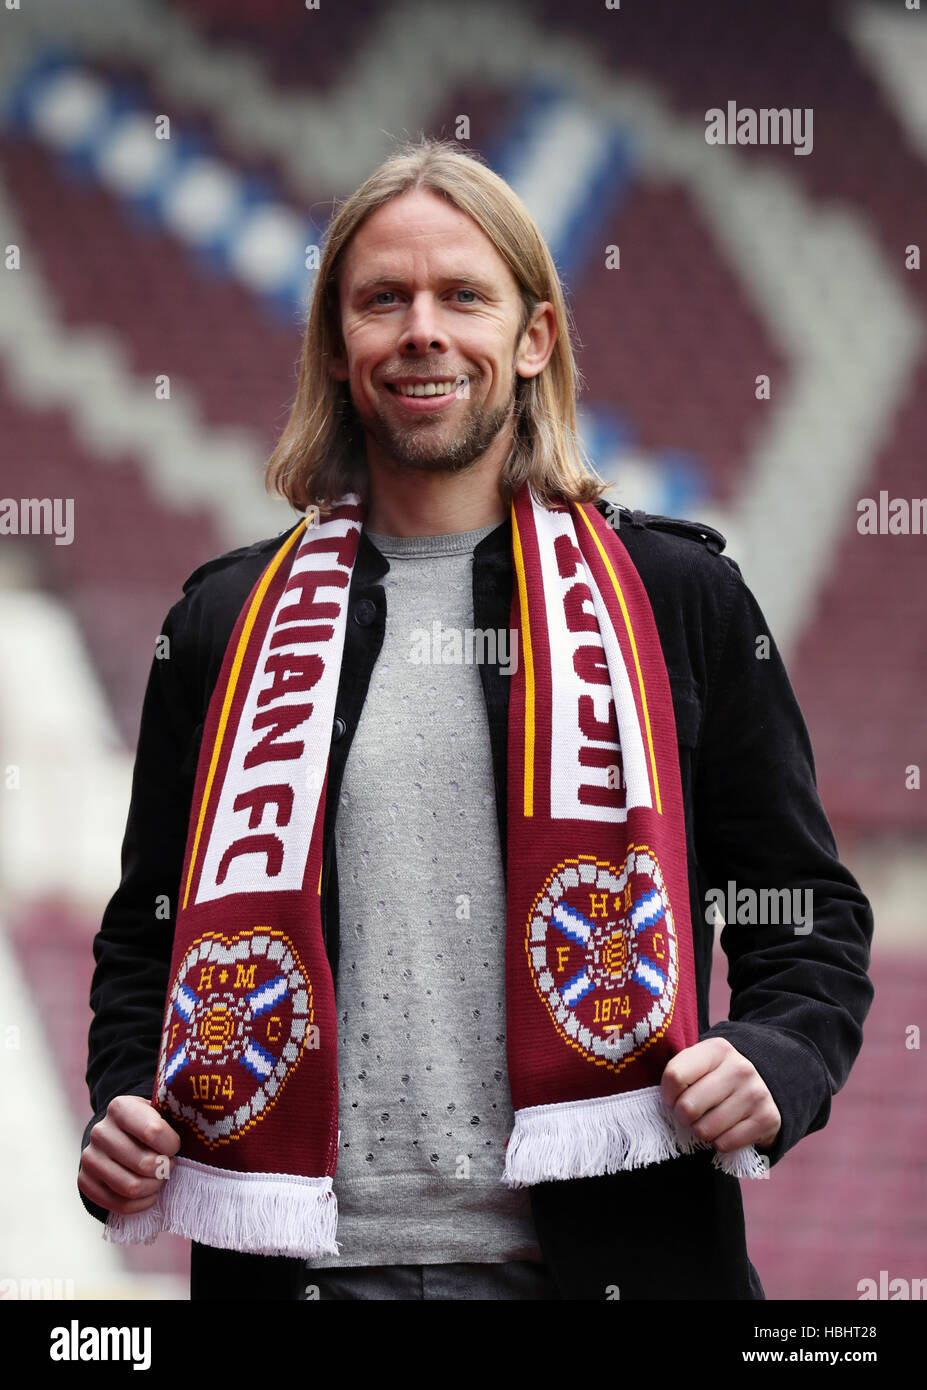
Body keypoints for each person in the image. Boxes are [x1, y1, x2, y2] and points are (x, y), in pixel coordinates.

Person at [78, 137, 874, 1301]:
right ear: (339, 346)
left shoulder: (678, 599)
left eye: (463, 295)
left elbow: (806, 917)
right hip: (301, 1276)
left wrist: (776, 1058)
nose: (423, 332)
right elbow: (148, 937)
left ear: (533, 336)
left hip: (606, 1265)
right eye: (382, 301)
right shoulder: (221, 624)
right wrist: (122, 1101)